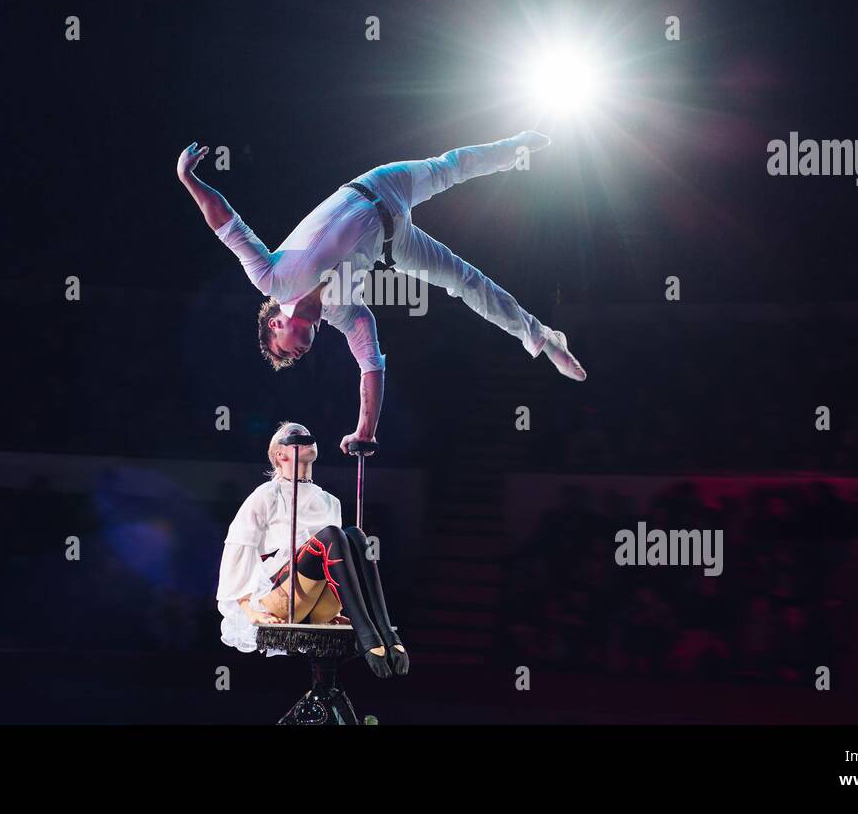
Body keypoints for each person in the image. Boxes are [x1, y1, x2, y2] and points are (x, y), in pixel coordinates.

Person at [177, 132, 587, 456]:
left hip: (378, 186)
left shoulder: (272, 278)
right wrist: (364, 431)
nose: (296, 356)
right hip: (396, 243)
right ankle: (542, 338)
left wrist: (189, 179)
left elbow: (228, 226)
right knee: (466, 281)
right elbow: (371, 368)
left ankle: (515, 147)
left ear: (275, 323)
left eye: (283, 351)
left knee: (450, 167)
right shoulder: (345, 315)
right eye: (293, 359)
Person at [215, 422, 408, 678]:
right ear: (280, 455)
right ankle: (368, 636)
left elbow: (338, 562)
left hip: (317, 602)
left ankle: (386, 630)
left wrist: (335, 612)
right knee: (330, 535)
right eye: (296, 437)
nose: (306, 438)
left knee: (356, 536)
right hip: (281, 598)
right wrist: (249, 610)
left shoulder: (330, 501)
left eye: (308, 435)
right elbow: (237, 550)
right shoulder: (267, 494)